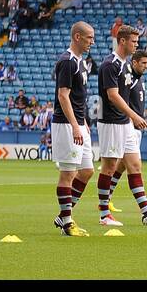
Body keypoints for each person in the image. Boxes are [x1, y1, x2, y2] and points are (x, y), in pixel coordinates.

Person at [96, 27, 147, 227]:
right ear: (122, 41)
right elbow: (112, 96)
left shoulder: (126, 67)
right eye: (134, 41)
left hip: (126, 123)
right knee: (109, 167)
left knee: (134, 165)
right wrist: (134, 116)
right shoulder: (110, 65)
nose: (137, 45)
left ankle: (146, 212)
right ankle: (104, 214)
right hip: (112, 122)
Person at [51, 22, 97, 237]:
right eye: (89, 37)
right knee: (68, 173)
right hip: (67, 125)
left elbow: (79, 96)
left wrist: (83, 121)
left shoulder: (81, 62)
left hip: (79, 123)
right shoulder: (67, 62)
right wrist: (74, 125)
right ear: (77, 37)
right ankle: (67, 223)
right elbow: (63, 95)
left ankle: (64, 215)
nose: (92, 41)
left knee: (87, 171)